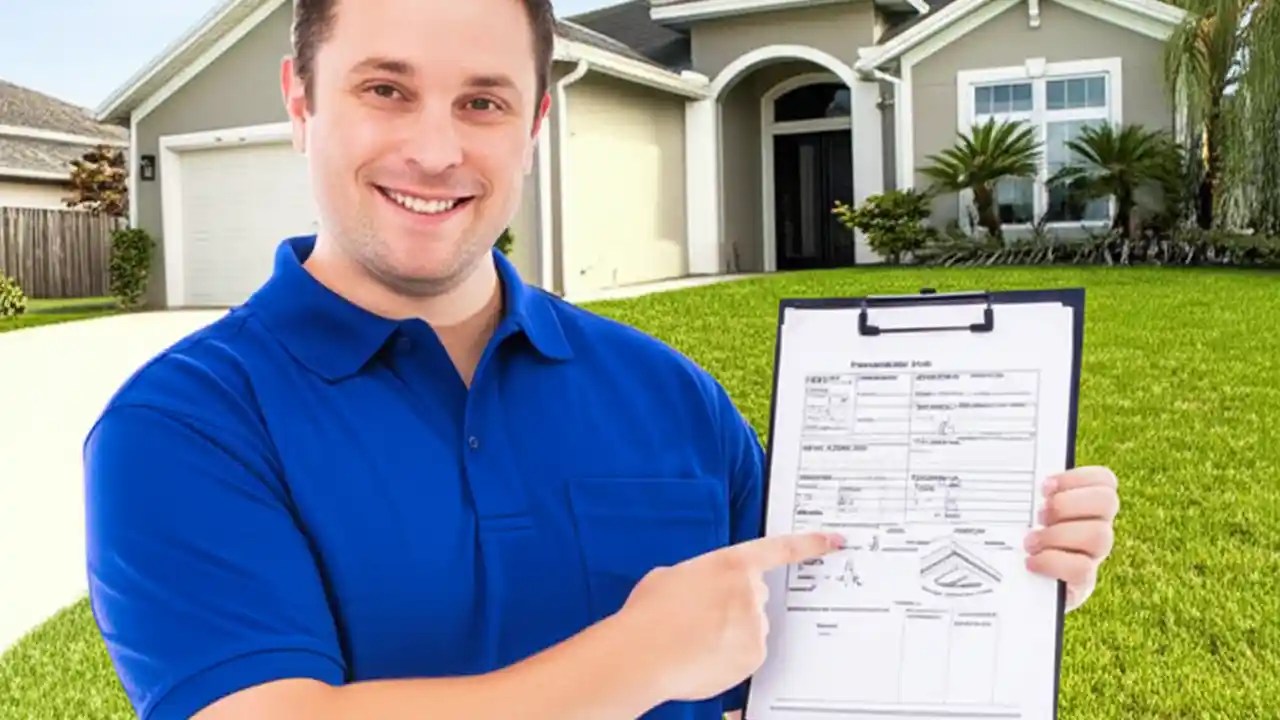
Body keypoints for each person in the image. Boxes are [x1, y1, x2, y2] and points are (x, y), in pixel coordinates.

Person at [81, 0, 1121, 718]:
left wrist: (994, 587)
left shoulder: (671, 399)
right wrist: (631, 662)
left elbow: (802, 658)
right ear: (301, 101)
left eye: (483, 101)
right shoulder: (183, 430)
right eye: (385, 90)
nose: (437, 150)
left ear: (535, 119)